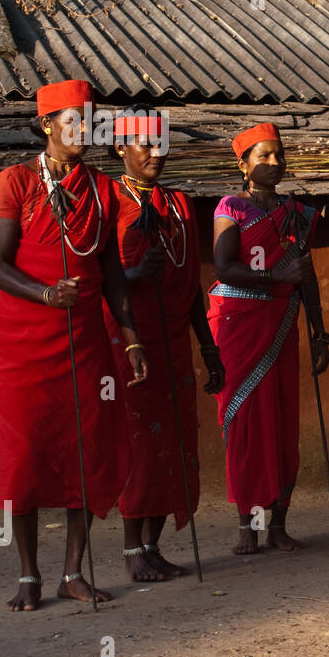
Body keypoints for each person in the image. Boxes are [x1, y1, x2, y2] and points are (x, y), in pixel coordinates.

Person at [0, 79, 147, 610]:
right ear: (47, 125)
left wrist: (130, 340)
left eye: (90, 120)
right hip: (22, 340)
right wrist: (46, 294)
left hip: (85, 342)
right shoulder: (14, 182)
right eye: (72, 120)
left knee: (87, 452)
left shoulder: (102, 189)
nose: (83, 130)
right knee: (24, 454)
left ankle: (72, 572)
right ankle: (28, 575)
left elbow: (114, 276)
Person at [105, 106, 224, 580]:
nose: (155, 153)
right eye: (143, 144)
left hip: (174, 341)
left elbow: (191, 281)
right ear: (120, 147)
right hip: (131, 341)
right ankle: (132, 550)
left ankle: (152, 546)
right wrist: (134, 274)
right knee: (138, 443)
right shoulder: (109, 202)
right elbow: (99, 276)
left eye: (160, 143)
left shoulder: (177, 204)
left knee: (172, 441)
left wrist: (208, 347)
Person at [209, 122, 329, 554]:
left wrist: (319, 332)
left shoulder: (296, 213)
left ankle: (278, 525)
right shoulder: (231, 208)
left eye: (279, 155)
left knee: (281, 423)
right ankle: (248, 526)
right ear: (243, 163)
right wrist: (272, 276)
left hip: (282, 323)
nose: (275, 163)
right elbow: (224, 267)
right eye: (264, 156)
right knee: (246, 423)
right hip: (241, 322)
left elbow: (307, 275)